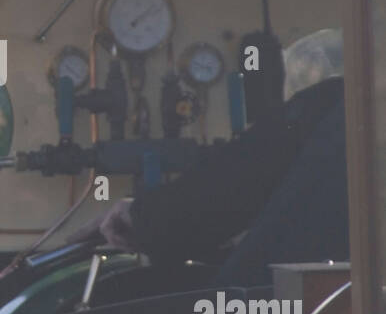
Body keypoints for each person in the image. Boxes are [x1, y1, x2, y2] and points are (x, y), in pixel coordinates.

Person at [75, 29, 348, 290]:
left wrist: (142, 217)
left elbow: (239, 179)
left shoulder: (337, 106)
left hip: (287, 312)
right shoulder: (356, 107)